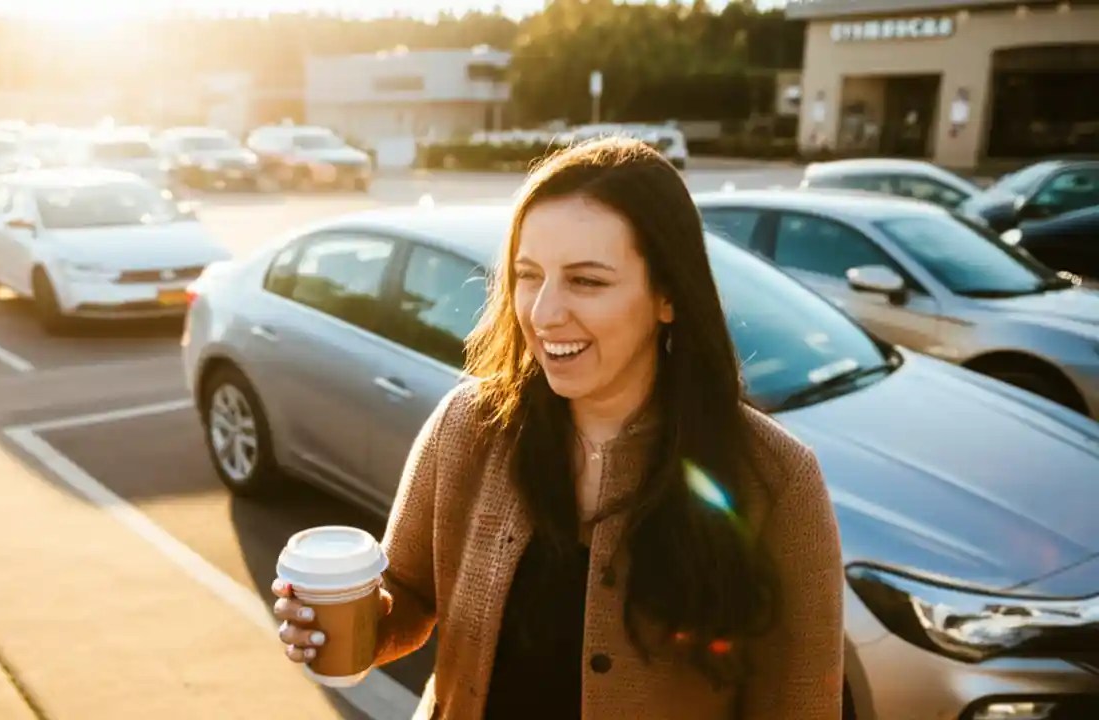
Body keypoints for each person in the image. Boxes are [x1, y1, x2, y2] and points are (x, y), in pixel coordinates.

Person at [273, 137, 843, 719]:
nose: (543, 313)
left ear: (668, 294)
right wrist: (341, 624)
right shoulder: (470, 425)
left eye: (587, 281)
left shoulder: (776, 480)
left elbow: (799, 704)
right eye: (528, 275)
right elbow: (409, 597)